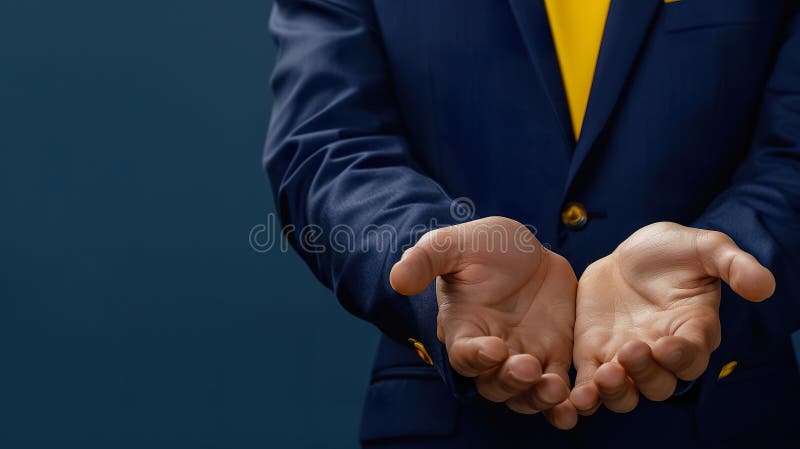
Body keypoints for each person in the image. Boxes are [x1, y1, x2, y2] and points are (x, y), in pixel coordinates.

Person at [263, 0, 800, 447]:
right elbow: (327, 147)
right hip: (452, 424)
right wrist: (432, 255)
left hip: (724, 419)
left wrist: (723, 263)